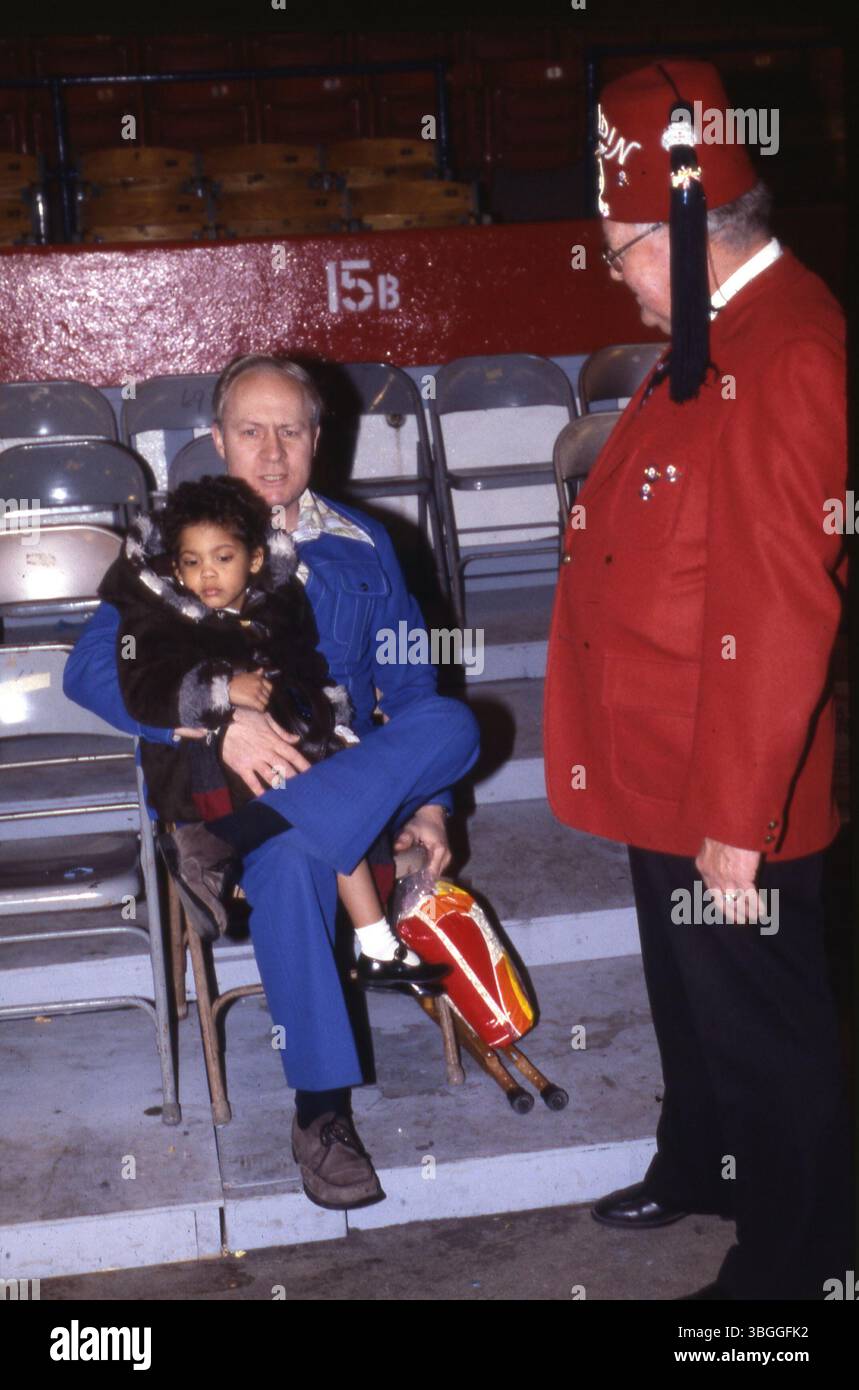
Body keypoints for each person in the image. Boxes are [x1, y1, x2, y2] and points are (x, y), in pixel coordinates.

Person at [543, 59, 851, 1299]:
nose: (612, 273)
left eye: (617, 250)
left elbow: (780, 602)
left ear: (671, 232)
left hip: (730, 774)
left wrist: (740, 819)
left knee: (762, 1025)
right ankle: (704, 1159)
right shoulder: (715, 333)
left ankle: (796, 1259)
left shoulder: (788, 353)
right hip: (662, 745)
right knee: (691, 997)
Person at [65, 353, 480, 1212]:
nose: (272, 449)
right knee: (295, 863)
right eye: (250, 430)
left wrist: (429, 810)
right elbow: (90, 675)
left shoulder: (367, 547)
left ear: (320, 439)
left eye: (291, 428)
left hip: (347, 780)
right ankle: (321, 1114)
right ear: (217, 441)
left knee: (456, 725)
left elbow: (409, 687)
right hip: (230, 801)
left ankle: (330, 826)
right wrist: (216, 715)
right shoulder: (172, 546)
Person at [97, 471, 450, 994]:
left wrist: (430, 802)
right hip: (205, 775)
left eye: (222, 558)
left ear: (255, 559)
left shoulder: (313, 578)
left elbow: (360, 668)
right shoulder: (156, 614)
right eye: (191, 563)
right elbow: (133, 685)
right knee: (316, 827)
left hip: (297, 763)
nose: (207, 575)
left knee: (449, 729)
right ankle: (367, 942)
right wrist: (219, 695)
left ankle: (370, 943)